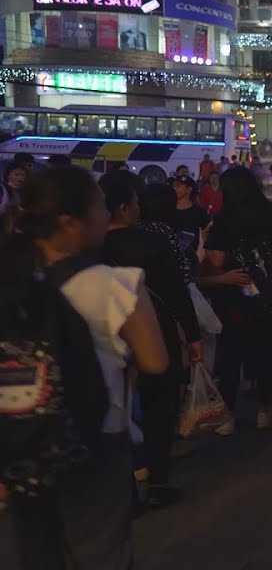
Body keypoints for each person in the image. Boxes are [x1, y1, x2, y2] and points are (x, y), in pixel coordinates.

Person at [2, 165, 169, 570]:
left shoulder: (10, 277)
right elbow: (156, 361)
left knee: (38, 554)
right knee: (100, 551)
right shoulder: (116, 284)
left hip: (21, 441)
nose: (106, 214)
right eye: (99, 206)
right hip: (96, 437)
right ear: (69, 221)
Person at [99, 171, 201, 510]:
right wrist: (193, 335)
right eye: (135, 203)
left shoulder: (91, 249)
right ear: (124, 208)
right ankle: (157, 482)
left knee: (116, 409)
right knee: (159, 407)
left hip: (108, 337)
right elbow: (178, 293)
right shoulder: (153, 242)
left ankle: (127, 488)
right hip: (155, 332)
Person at [203, 166, 272, 434]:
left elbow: (216, 260)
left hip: (233, 294)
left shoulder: (223, 219)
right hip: (266, 297)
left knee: (230, 353)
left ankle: (228, 416)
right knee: (264, 352)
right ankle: (264, 411)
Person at [170, 175, 209, 267]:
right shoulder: (168, 210)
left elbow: (206, 235)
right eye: (174, 186)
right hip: (170, 258)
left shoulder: (199, 212)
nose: (174, 189)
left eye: (178, 186)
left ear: (189, 189)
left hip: (193, 259)